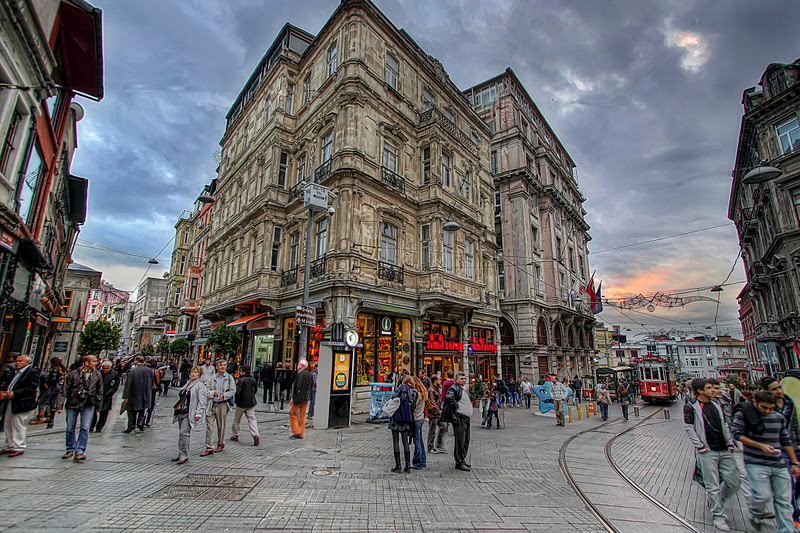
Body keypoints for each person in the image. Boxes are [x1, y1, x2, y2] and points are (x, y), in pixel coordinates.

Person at [734, 390, 800, 533]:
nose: (768, 411)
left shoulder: (778, 417)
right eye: (764, 407)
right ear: (755, 403)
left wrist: (795, 463)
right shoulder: (745, 415)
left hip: (779, 463)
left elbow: (786, 440)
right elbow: (737, 434)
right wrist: (761, 446)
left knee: (784, 500)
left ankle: (786, 530)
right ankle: (756, 511)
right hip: (756, 462)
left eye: (771, 408)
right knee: (763, 496)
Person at [684, 378, 741, 532]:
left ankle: (718, 502)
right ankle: (718, 515)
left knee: (734, 481)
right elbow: (689, 427)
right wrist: (700, 447)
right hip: (707, 451)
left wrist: (730, 443)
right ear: (700, 391)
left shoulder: (716, 405)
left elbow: (723, 424)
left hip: (724, 448)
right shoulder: (691, 407)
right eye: (709, 388)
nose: (713, 390)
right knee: (712, 485)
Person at [761, 377, 800, 527]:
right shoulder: (764, 407)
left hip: (793, 445)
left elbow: (794, 423)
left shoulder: (788, 402)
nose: (779, 391)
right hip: (776, 449)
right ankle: (792, 516)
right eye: (774, 389)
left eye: (779, 388)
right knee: (787, 483)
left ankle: (792, 509)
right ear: (767, 392)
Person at [56, 355, 102, 462]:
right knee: (70, 428)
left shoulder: (97, 375)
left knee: (85, 427)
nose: (96, 363)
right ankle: (70, 448)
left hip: (88, 404)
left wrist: (98, 406)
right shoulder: (73, 374)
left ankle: (80, 451)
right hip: (73, 403)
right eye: (94, 361)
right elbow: (64, 390)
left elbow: (100, 391)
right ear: (86, 363)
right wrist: (59, 405)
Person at [0, 355, 40, 457]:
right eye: (17, 361)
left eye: (20, 361)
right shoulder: (14, 372)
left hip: (21, 402)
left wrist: (15, 393)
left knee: (18, 423)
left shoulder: (31, 372)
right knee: (8, 423)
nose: (17, 363)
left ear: (27, 363)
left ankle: (19, 446)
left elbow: (32, 388)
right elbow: (8, 384)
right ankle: (9, 445)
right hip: (10, 401)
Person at [172, 365, 207, 464]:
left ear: (199, 375)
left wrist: (198, 413)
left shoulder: (200, 385)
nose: (193, 374)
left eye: (196, 373)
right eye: (192, 372)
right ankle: (181, 453)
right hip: (181, 412)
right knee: (181, 434)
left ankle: (184, 455)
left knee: (184, 433)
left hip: (189, 413)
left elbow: (202, 401)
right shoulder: (187, 383)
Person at [201, 359, 235, 456]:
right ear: (217, 367)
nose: (223, 367)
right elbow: (206, 391)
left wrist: (224, 395)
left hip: (223, 404)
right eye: (221, 365)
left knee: (221, 425)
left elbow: (233, 391)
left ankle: (221, 443)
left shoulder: (229, 378)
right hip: (212, 404)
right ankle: (209, 446)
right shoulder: (212, 378)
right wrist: (213, 393)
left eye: (224, 365)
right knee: (209, 426)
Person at [389, 375, 417, 473]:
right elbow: (414, 405)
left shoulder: (400, 388)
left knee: (396, 441)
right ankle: (408, 466)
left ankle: (398, 465)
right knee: (405, 441)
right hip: (406, 418)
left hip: (396, 418)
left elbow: (393, 399)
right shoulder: (414, 391)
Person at [445, 372, 473, 471]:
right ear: (456, 379)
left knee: (466, 439)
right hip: (460, 418)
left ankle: (462, 459)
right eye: (461, 379)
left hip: (466, 417)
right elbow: (449, 397)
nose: (464, 380)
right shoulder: (454, 388)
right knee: (460, 440)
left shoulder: (461, 388)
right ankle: (459, 461)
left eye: (465, 379)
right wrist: (456, 406)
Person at [30, 357, 66, 427]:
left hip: (52, 387)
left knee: (42, 401)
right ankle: (49, 417)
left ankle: (40, 418)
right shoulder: (63, 369)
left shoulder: (55, 369)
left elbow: (52, 379)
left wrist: (47, 383)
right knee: (52, 402)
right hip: (59, 387)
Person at [123, 356, 153, 433]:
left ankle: (131, 426)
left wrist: (125, 396)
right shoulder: (149, 370)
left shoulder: (133, 370)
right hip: (145, 393)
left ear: (136, 361)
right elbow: (151, 382)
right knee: (142, 410)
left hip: (134, 393)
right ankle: (140, 423)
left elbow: (128, 384)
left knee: (131, 411)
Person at [230, 366, 259, 446]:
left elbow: (238, 392)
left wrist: (236, 401)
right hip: (250, 402)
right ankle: (255, 434)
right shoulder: (253, 379)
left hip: (241, 403)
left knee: (237, 419)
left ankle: (235, 435)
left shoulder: (241, 380)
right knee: (252, 419)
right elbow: (255, 390)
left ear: (243, 371)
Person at [90, 361, 120, 433]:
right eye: (104, 368)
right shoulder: (98, 373)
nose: (105, 370)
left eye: (107, 368)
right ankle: (91, 426)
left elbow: (116, 385)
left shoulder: (114, 374)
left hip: (107, 396)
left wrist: (109, 393)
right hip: (97, 395)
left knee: (104, 413)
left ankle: (99, 427)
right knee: (93, 412)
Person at [289, 360, 313, 439]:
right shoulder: (309, 374)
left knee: (292, 412)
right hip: (306, 397)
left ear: (302, 366)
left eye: (299, 364)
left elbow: (298, 386)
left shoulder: (300, 374)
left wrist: (294, 397)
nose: (298, 365)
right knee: (302, 416)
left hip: (299, 397)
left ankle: (296, 431)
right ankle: (301, 433)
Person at [410, 377, 428, 469]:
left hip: (416, 418)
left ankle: (418, 462)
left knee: (417, 441)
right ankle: (422, 460)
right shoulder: (423, 393)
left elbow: (413, 406)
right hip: (421, 417)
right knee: (420, 440)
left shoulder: (417, 394)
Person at [427, 375, 444, 454]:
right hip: (434, 413)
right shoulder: (431, 390)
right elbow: (432, 402)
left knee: (443, 427)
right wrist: (438, 410)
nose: (440, 381)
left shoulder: (435, 389)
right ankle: (430, 446)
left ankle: (438, 444)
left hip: (437, 413)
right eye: (439, 380)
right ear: (435, 381)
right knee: (432, 430)